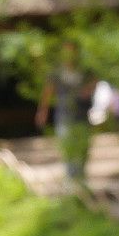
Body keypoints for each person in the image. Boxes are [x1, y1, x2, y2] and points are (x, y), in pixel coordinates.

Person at [36, 42, 96, 178]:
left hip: (82, 117)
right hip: (64, 117)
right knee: (68, 150)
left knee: (82, 152)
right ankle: (72, 186)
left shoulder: (85, 72)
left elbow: (95, 85)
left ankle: (80, 182)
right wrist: (42, 111)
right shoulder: (56, 73)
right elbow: (48, 91)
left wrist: (87, 92)